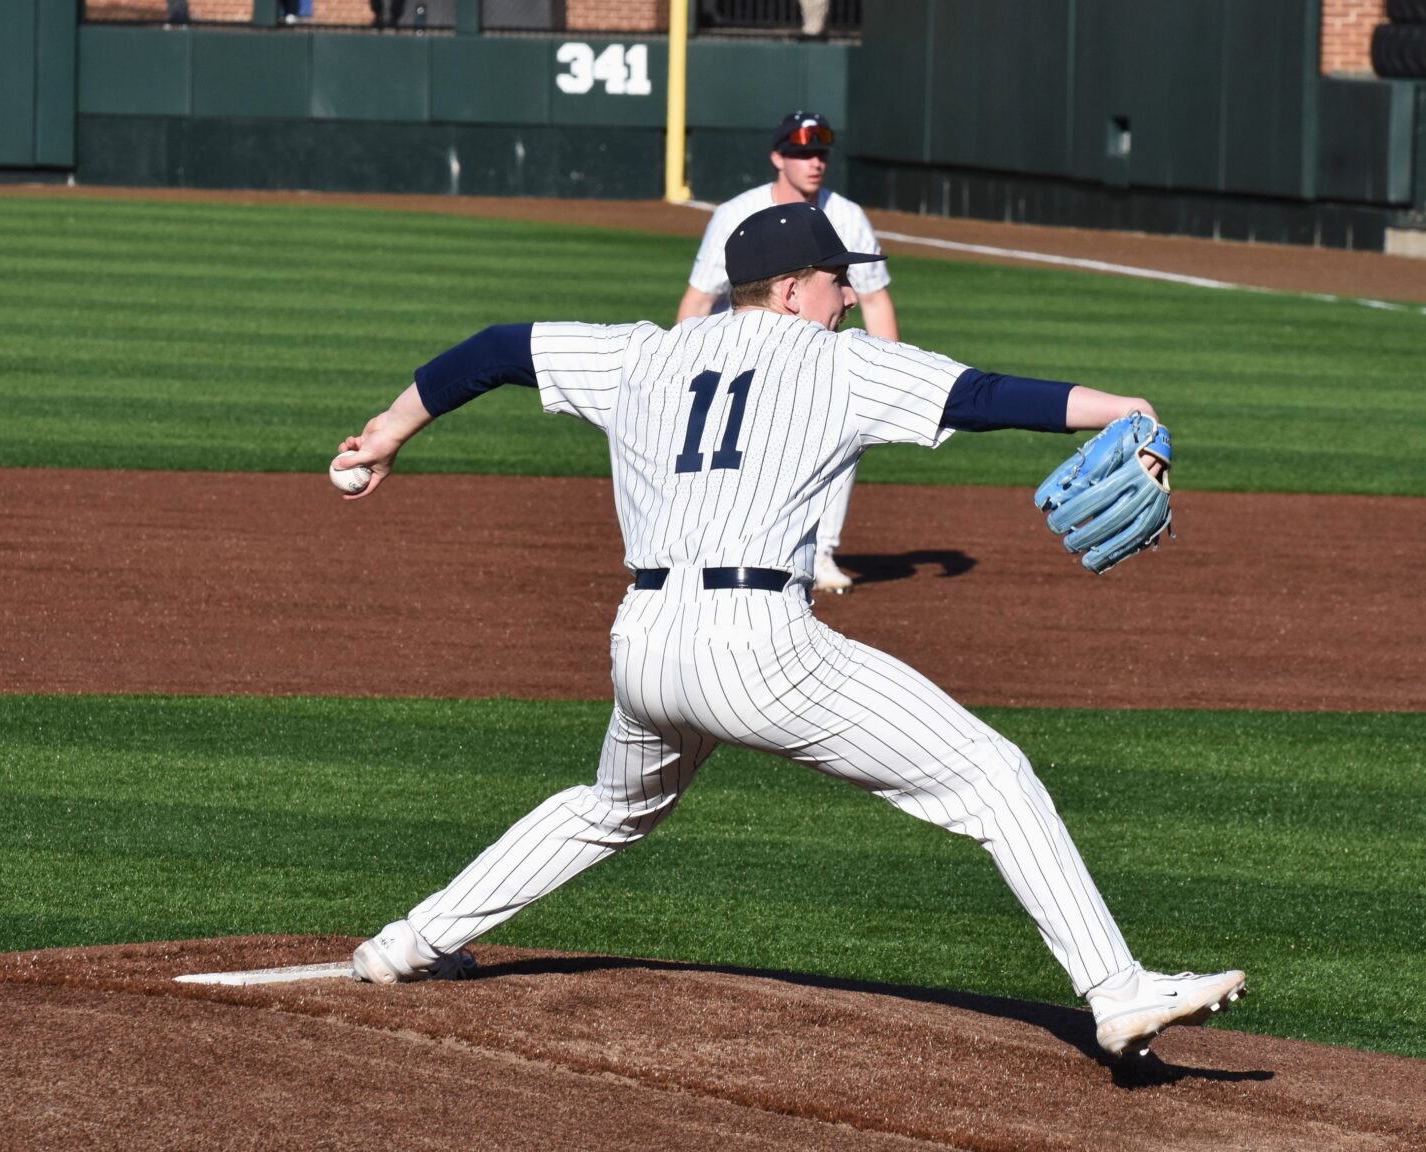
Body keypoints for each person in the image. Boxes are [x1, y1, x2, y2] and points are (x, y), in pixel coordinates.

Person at [334, 204, 1246, 1060]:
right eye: (837, 281)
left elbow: (497, 349)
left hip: (644, 642)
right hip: (760, 647)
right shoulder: (839, 364)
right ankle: (1118, 989)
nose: (849, 297)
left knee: (614, 805)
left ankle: (408, 943)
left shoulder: (643, 354)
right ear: (789, 289)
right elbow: (984, 395)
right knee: (991, 776)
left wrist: (390, 430)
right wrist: (1127, 406)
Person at [677, 111, 895, 594]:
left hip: (817, 351)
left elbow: (875, 298)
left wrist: (888, 371)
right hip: (742, 350)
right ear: (778, 157)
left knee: (840, 436)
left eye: (820, 153)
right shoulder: (736, 214)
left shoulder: (849, 216)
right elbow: (699, 297)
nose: (814, 162)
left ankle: (822, 551)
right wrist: (683, 368)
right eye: (801, 153)